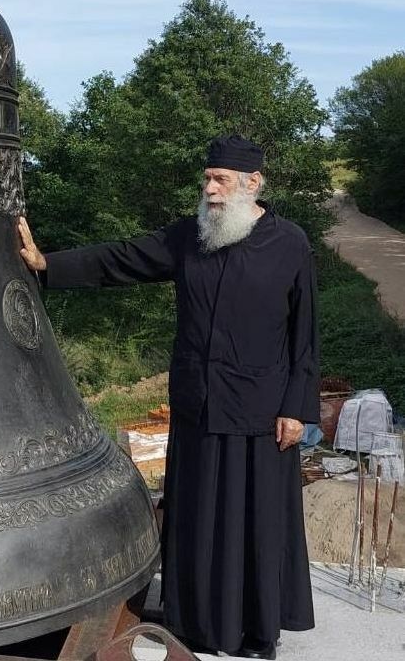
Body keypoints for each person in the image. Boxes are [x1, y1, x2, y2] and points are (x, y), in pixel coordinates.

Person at [17, 135, 317, 659]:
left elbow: (305, 334)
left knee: (254, 522)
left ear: (253, 183)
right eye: (207, 179)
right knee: (198, 517)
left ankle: (255, 631)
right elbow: (123, 258)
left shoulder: (290, 243)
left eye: (220, 180)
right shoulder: (190, 237)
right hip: (198, 403)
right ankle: (194, 624)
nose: (210, 189)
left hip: (260, 409)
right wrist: (48, 264)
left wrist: (296, 408)